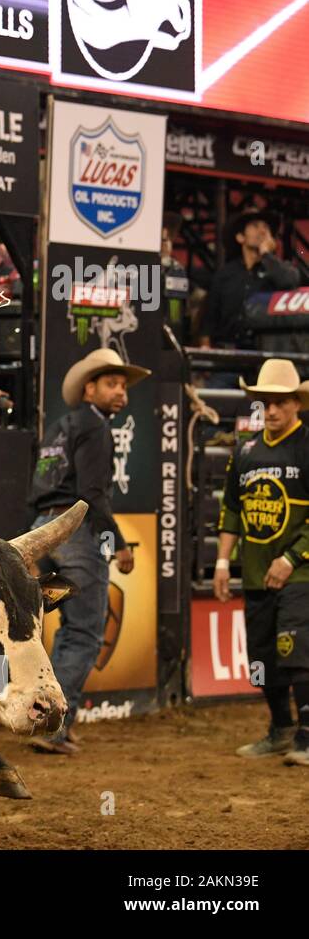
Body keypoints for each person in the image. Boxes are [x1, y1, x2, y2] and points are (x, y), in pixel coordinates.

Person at [27, 348, 149, 754]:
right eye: (112, 384)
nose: (121, 393)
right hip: (76, 532)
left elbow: (45, 485)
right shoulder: (95, 428)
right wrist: (115, 545)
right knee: (82, 633)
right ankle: (53, 727)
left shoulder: (61, 426)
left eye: (123, 386)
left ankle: (51, 719)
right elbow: (92, 494)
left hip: (41, 529)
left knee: (54, 634)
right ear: (90, 388)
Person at [213, 359, 309, 766]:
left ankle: (306, 735)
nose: (270, 410)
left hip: (300, 572)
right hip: (254, 571)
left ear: (296, 405)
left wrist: (291, 557)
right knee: (261, 658)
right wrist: (221, 562)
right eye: (265, 402)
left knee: (296, 650)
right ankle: (279, 728)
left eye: (279, 402)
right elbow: (231, 509)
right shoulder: (247, 450)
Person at [199, 209, 300, 350]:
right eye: (255, 226)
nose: (262, 231)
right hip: (227, 356)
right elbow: (209, 320)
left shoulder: (278, 269)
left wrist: (266, 254)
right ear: (240, 237)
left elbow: (291, 281)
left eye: (266, 227)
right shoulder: (224, 275)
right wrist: (205, 347)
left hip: (265, 354)